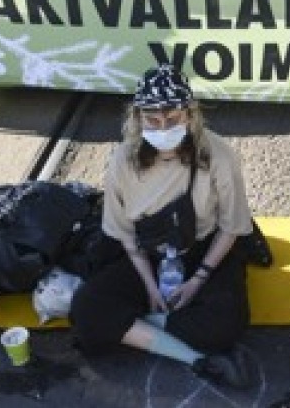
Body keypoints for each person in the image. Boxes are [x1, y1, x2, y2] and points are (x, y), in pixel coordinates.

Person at [70, 64, 255, 389]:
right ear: (137, 118)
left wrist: (198, 280)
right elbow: (126, 235)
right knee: (86, 309)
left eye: (172, 119)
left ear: (190, 115)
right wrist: (150, 286)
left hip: (202, 249)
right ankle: (194, 358)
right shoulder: (123, 161)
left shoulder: (219, 155)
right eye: (152, 121)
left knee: (228, 322)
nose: (162, 128)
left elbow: (232, 226)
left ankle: (135, 327)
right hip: (147, 253)